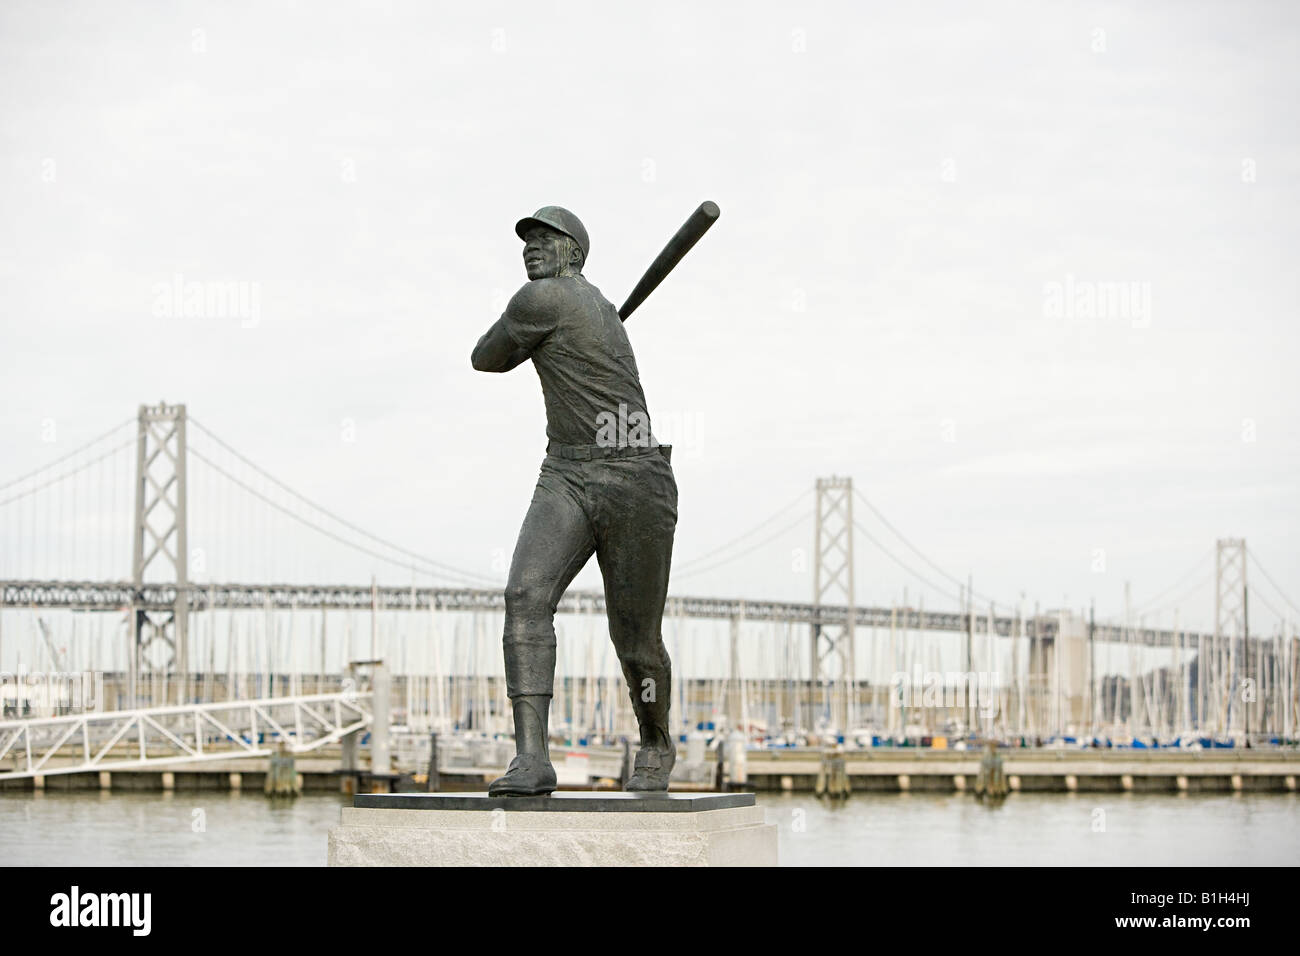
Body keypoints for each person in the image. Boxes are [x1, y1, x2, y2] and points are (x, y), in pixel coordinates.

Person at [472, 206, 678, 795]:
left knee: (635, 640)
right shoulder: (592, 309)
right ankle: (532, 759)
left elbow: (486, 356)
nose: (532, 247)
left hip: (635, 476)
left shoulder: (543, 301)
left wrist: (526, 340)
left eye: (547, 238)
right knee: (525, 596)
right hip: (566, 469)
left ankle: (656, 740)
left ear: (575, 255)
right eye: (527, 240)